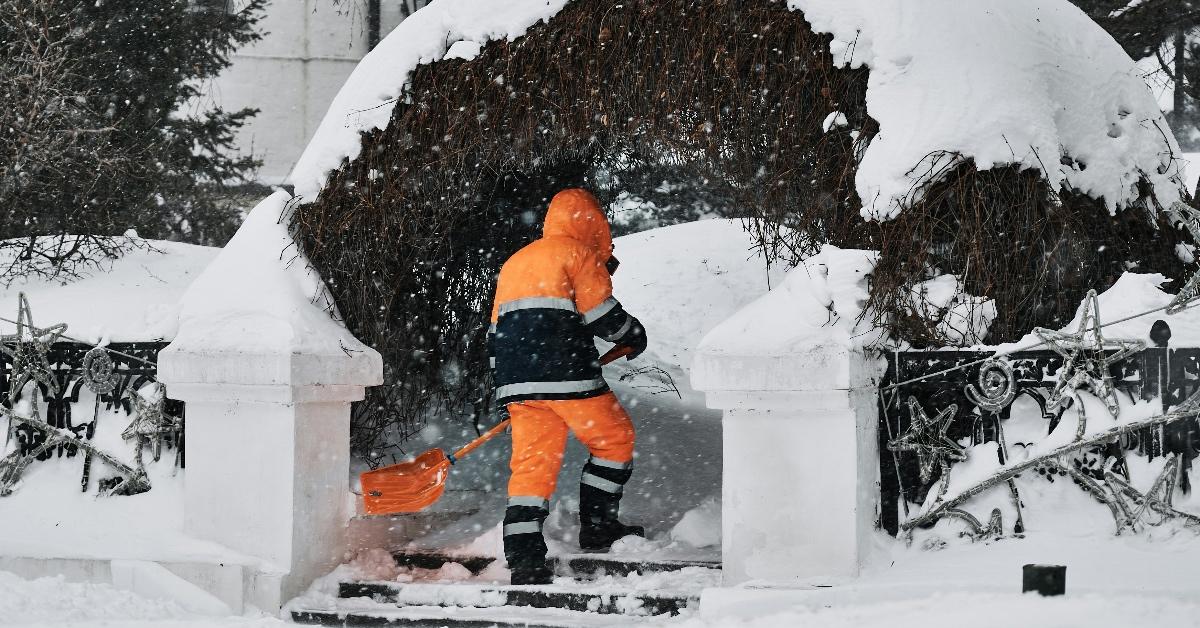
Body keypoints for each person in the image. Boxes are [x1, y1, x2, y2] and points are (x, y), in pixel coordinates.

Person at [488, 188, 648, 585]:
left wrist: (507, 387)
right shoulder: (578, 254)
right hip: (568, 375)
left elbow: (495, 331)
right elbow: (602, 315)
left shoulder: (515, 262)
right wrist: (633, 332)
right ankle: (598, 526)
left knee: (532, 465)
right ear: (593, 224)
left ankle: (523, 556)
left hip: (517, 381)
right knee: (614, 440)